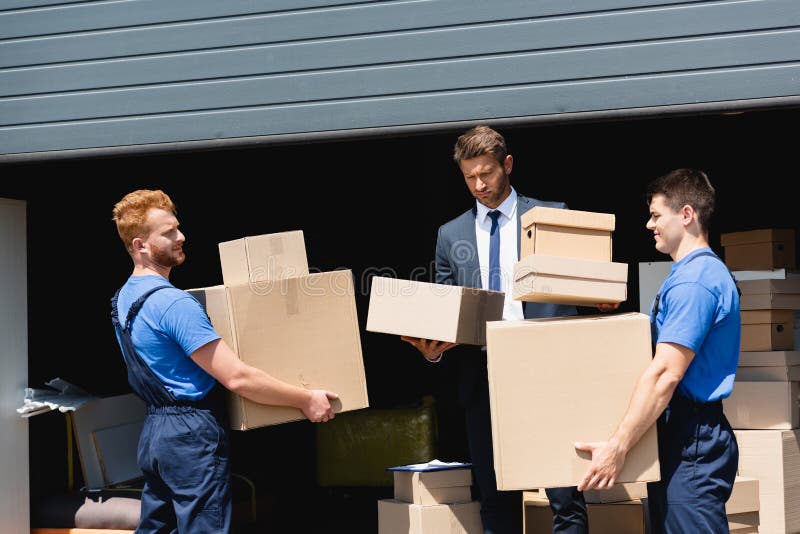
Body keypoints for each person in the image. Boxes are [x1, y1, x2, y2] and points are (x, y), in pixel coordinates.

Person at [110, 189, 338, 533]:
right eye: (168, 232)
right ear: (141, 246)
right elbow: (238, 378)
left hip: (155, 436)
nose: (181, 236)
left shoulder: (123, 298)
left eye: (178, 227)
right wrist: (306, 399)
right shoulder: (175, 305)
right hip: (190, 436)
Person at [402, 125, 591, 534]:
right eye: (469, 176)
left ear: (508, 165)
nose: (478, 184)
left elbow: (581, 290)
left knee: (565, 498)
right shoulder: (450, 235)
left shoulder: (551, 217)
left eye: (486, 173)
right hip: (483, 376)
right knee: (494, 500)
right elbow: (446, 312)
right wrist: (432, 349)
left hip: (547, 372)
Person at [575, 168, 740, 533]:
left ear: (686, 215)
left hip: (691, 439)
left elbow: (666, 373)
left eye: (655, 215)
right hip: (680, 435)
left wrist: (617, 448)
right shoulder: (689, 275)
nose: (649, 224)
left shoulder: (696, 281)